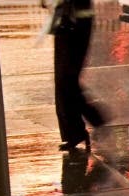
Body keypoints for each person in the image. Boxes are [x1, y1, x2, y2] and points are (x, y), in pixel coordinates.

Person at [45, 0, 106, 151]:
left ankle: (91, 121)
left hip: (77, 21)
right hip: (64, 18)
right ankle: (75, 132)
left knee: (67, 79)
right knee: (63, 80)